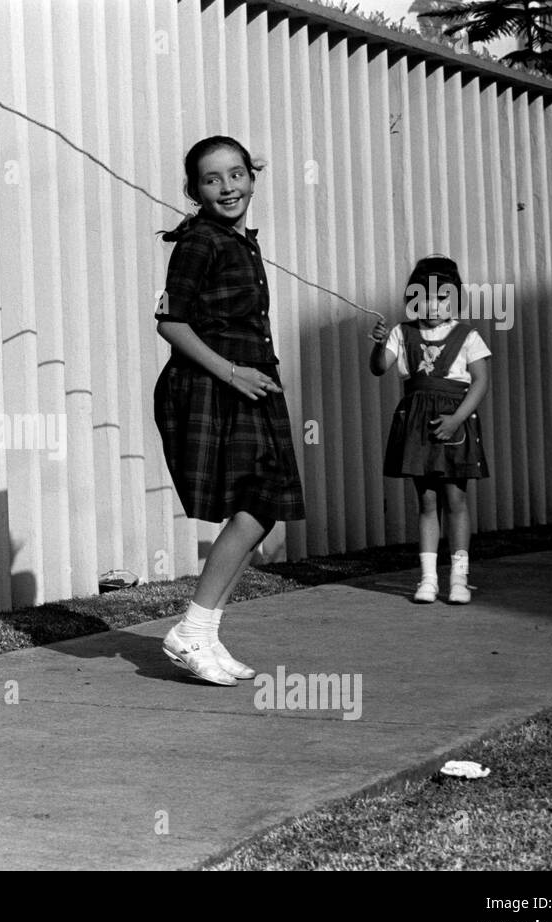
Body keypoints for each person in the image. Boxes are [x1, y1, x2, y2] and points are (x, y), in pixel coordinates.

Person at [153, 136, 306, 686]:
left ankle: (205, 632)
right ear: (193, 190)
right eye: (212, 180)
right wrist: (232, 371)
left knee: (265, 506)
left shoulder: (242, 242)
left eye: (237, 174)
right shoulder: (199, 244)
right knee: (257, 500)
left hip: (253, 385)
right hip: (216, 385)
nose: (227, 188)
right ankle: (191, 629)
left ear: (252, 177)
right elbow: (170, 322)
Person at [369, 255, 491, 604]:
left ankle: (458, 579)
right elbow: (380, 368)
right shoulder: (400, 332)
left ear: (454, 299)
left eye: (442, 297)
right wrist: (378, 343)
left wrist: (456, 420)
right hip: (416, 422)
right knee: (426, 500)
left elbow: (480, 382)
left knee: (455, 498)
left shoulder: (467, 335)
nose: (433, 305)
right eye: (425, 297)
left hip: (455, 423)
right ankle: (427, 579)